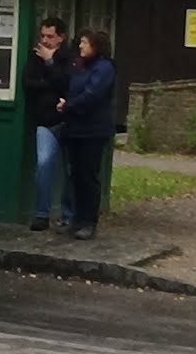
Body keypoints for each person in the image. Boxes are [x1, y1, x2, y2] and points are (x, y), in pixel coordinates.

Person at [55, 29, 116, 241]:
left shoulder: (104, 68)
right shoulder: (80, 66)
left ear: (96, 46)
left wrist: (69, 106)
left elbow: (93, 94)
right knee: (76, 176)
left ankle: (89, 221)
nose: (81, 46)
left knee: (88, 176)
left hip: (93, 130)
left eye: (85, 43)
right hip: (75, 129)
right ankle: (76, 219)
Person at [23, 17, 75, 232]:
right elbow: (28, 83)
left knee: (71, 170)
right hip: (45, 120)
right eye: (43, 36)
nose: (45, 41)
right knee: (44, 164)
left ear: (61, 38)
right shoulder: (35, 56)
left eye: (50, 36)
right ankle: (42, 213)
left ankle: (68, 215)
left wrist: (50, 63)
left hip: (69, 121)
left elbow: (67, 85)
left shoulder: (69, 57)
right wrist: (49, 83)